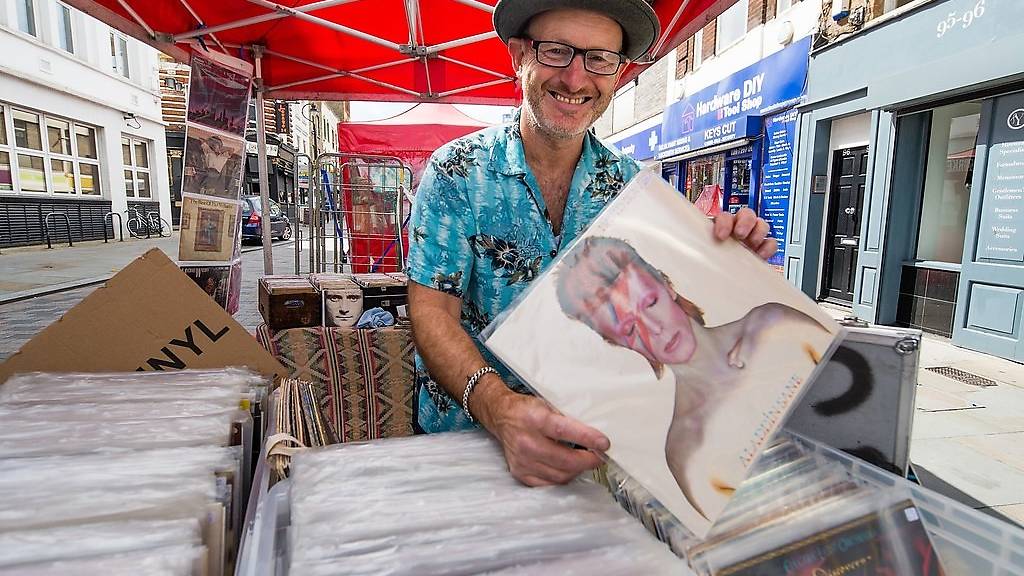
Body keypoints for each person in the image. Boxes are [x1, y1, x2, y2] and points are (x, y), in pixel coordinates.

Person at [406, 0, 778, 488]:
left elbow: (673, 301)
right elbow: (431, 313)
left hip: (592, 454)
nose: (577, 79)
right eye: (557, 52)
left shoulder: (634, 190)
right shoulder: (456, 171)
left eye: (600, 59)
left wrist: (731, 266)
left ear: (619, 72)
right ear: (519, 56)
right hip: (466, 445)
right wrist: (499, 409)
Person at [555, 236, 830, 517]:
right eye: (630, 330)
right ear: (616, 342)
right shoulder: (685, 453)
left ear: (667, 285)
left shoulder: (776, 328)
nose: (656, 329)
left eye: (650, 303)